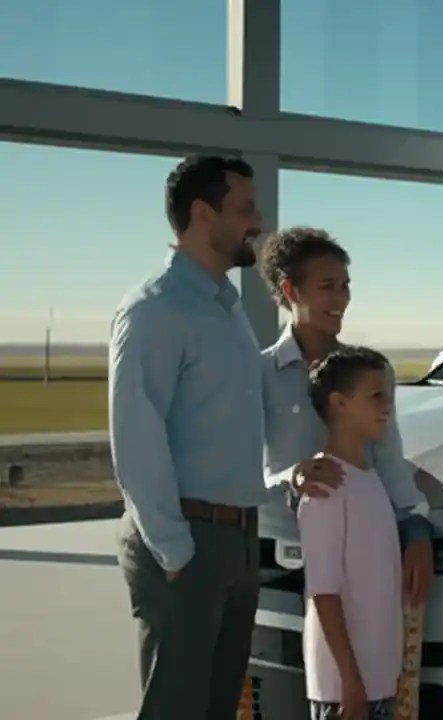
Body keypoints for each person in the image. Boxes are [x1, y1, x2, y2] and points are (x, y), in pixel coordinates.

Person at [109, 155, 266, 718]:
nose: (259, 219)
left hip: (236, 544)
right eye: (246, 207)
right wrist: (175, 551)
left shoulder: (228, 309)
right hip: (185, 544)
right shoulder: (155, 309)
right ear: (203, 214)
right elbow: (136, 432)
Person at [258, 226, 434, 611]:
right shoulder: (256, 375)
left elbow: (389, 463)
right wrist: (292, 478)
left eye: (345, 286)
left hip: (364, 559)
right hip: (280, 564)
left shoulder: (372, 373)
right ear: (291, 291)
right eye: (328, 286)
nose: (341, 299)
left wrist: (418, 532)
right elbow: (240, 473)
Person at [297, 347, 406, 720]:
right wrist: (350, 681)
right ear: (340, 403)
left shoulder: (369, 479)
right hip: (344, 693)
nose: (388, 405)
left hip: (377, 685)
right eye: (376, 395)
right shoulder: (326, 489)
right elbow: (323, 593)